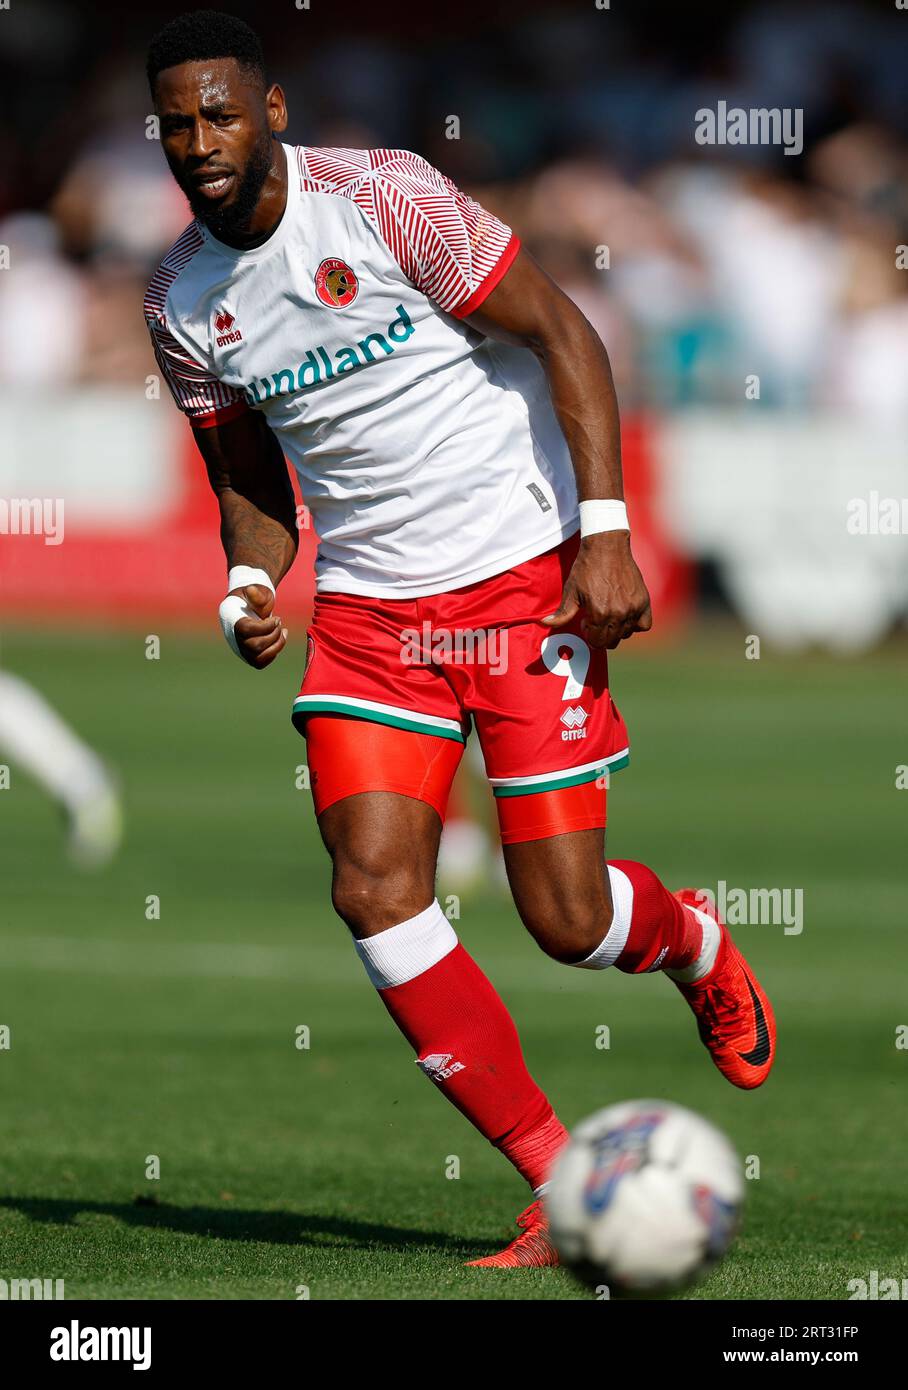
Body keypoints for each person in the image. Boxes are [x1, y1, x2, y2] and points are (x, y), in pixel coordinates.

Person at [144, 10, 775, 1268]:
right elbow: (251, 485)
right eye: (174, 121)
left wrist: (604, 532)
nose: (198, 140)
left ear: (270, 111)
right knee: (373, 887)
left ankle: (691, 940)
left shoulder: (386, 202)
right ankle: (558, 1180)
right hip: (373, 618)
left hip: (516, 582)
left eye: (219, 111)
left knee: (565, 919)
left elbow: (563, 335)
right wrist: (244, 585)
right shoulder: (177, 300)